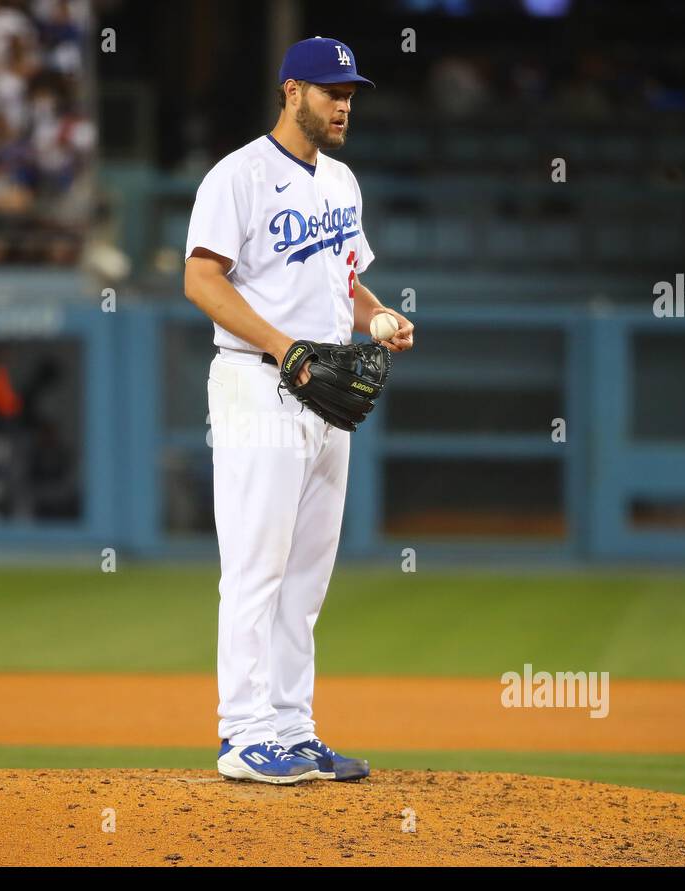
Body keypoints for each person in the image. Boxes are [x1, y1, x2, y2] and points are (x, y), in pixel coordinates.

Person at [183, 37, 414, 784]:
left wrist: (379, 315)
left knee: (307, 573)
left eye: (349, 92)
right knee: (257, 565)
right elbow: (201, 280)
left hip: (323, 388)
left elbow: (345, 281)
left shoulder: (342, 182)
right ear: (291, 92)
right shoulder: (238, 176)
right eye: (329, 91)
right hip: (258, 382)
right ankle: (244, 734)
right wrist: (287, 349)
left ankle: (291, 725)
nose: (343, 103)